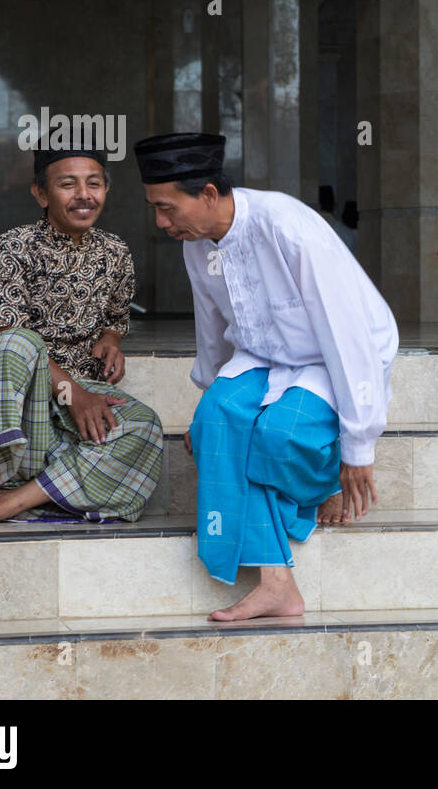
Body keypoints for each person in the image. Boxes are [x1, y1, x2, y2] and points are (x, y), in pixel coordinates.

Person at [136, 132, 397, 622]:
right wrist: (212, 402)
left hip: (332, 355)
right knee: (216, 423)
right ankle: (278, 586)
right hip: (263, 357)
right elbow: (211, 327)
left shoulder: (287, 225)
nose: (160, 222)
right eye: (155, 208)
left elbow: (347, 334)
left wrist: (357, 445)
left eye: (167, 208)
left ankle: (322, 482)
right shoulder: (197, 244)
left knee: (279, 437)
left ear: (208, 194)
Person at [0, 149, 164, 526]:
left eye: (94, 184)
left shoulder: (116, 252)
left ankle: (11, 503)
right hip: (3, 388)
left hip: (67, 392)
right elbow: (5, 331)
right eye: (67, 184)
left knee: (144, 425)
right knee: (20, 342)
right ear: (41, 194)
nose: (84, 195)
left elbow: (116, 316)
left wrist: (111, 339)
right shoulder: (12, 248)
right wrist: (74, 395)